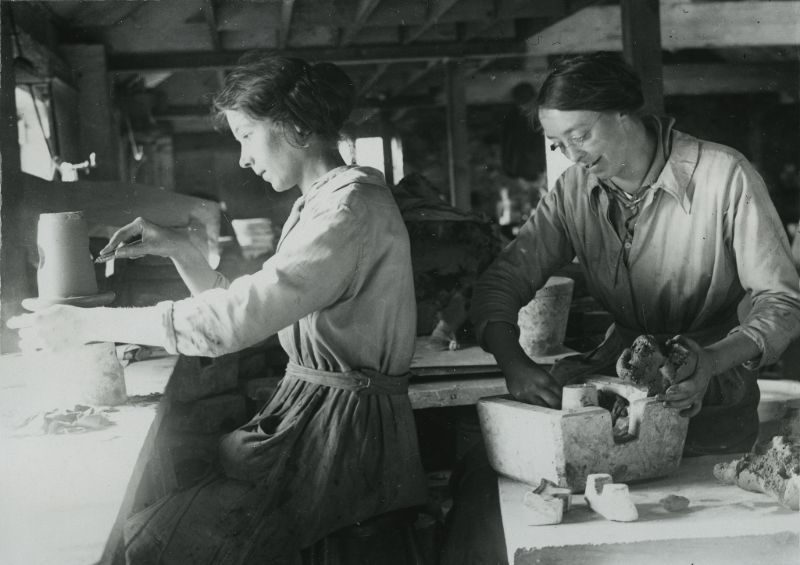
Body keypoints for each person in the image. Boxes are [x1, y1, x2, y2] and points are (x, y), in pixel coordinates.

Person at [9, 52, 427, 564]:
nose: (244, 159)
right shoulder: (321, 201)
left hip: (345, 434)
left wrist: (85, 322)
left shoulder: (347, 208)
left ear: (295, 127)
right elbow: (261, 309)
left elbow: (233, 323)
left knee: (145, 546)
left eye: (247, 136)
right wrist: (183, 248)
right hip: (320, 415)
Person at [440, 52, 800, 565]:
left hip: (708, 387)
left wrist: (713, 360)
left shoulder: (724, 175)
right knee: (525, 507)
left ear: (625, 113)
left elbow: (781, 300)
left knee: (687, 533)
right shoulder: (574, 189)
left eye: (580, 135)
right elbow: (505, 277)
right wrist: (513, 362)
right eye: (557, 144)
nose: (571, 155)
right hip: (613, 379)